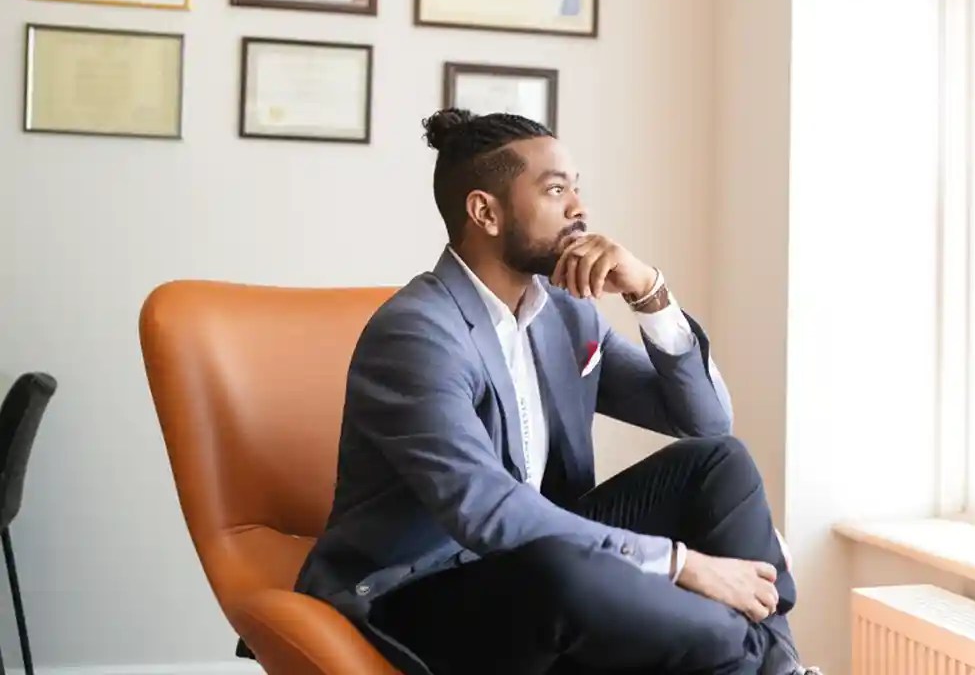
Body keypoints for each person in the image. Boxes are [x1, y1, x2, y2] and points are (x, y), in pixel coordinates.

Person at [293, 108, 820, 675]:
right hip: (417, 590)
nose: (579, 209)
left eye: (577, 188)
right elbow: (487, 513)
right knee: (565, 572)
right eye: (555, 190)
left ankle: (771, 666)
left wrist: (649, 292)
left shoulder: (562, 313)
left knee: (719, 462)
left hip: (534, 557)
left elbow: (706, 422)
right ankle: (766, 659)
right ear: (485, 212)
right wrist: (681, 563)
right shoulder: (417, 333)